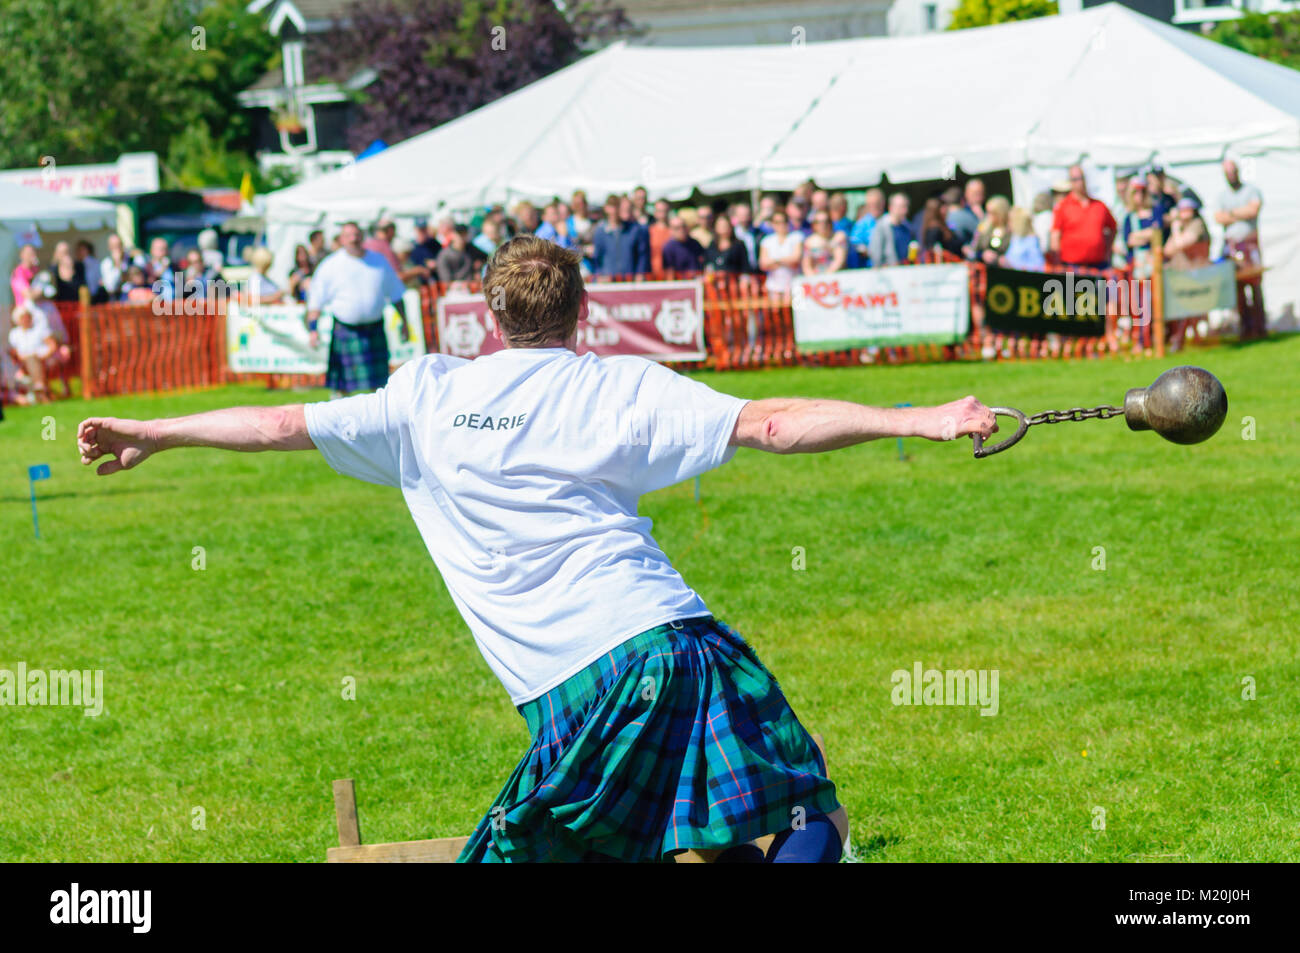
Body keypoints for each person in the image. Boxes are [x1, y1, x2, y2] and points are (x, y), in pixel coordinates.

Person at [74, 234, 1000, 863]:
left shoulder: (423, 395)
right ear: (581, 312)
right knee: (808, 811)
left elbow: (276, 421)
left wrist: (155, 433)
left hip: (577, 679)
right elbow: (776, 423)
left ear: (487, 315)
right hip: (669, 643)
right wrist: (922, 417)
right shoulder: (617, 384)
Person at [306, 222, 410, 397]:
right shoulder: (331, 265)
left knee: (379, 385)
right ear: (341, 239)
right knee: (342, 385)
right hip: (345, 329)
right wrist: (313, 329)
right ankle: (336, 415)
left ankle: (379, 420)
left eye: (356, 234)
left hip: (374, 327)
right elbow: (316, 301)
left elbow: (396, 294)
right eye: (348, 235)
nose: (353, 239)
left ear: (362, 236)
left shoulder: (379, 261)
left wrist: (404, 322)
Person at [1050, 165, 1116, 270]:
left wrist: (1107, 250)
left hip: (1098, 264)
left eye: (1082, 178)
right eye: (1075, 179)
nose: (1080, 182)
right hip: (1072, 265)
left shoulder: (1099, 205)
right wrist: (1057, 264)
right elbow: (1055, 236)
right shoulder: (1063, 207)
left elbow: (1113, 228)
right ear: (1071, 182)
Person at [8, 296, 70, 403]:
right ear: (18, 320)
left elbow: (52, 346)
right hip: (25, 362)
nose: (26, 319)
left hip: (45, 359)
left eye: (27, 316)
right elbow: (16, 353)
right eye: (23, 317)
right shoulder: (14, 334)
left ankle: (40, 389)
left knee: (34, 359)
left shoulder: (40, 329)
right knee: (32, 359)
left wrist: (42, 356)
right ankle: (41, 389)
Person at [591, 195, 650, 278]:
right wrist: (599, 275)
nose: (614, 210)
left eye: (616, 206)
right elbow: (597, 259)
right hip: (608, 280)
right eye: (612, 206)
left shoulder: (634, 229)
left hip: (630, 280)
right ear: (606, 208)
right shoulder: (600, 232)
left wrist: (640, 273)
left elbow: (642, 255)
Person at [758, 211, 803, 298]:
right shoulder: (767, 241)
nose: (781, 225)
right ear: (772, 224)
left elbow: (796, 259)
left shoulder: (796, 236)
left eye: (784, 221)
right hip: (774, 287)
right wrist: (786, 261)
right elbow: (763, 264)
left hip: (794, 285)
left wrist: (775, 261)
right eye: (777, 222)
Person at [1121, 180, 1160, 277]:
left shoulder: (1155, 212)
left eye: (1142, 191)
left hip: (1154, 263)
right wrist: (1147, 236)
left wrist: (1137, 235)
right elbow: (1128, 240)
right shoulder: (1130, 217)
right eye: (1136, 192)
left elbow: (1157, 233)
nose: (1140, 195)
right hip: (1137, 265)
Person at [1164, 197, 1210, 271]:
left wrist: (1175, 225)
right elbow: (1168, 250)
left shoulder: (1197, 224)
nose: (1185, 211)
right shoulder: (1180, 227)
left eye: (1188, 209)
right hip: (1183, 272)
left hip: (1198, 271)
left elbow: (1180, 244)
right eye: (1182, 209)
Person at [867, 193, 912, 268]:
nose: (905, 211)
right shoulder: (881, 226)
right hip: (888, 273)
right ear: (891, 207)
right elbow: (875, 253)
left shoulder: (906, 228)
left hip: (905, 271)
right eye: (902, 207)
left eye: (906, 206)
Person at [946, 178, 985, 252]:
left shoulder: (985, 209)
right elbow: (983, 231)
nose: (979, 197)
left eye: (981, 193)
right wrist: (981, 218)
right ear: (966, 193)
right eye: (975, 194)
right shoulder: (962, 211)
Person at [849, 189, 885, 267]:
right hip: (869, 268)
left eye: (877, 204)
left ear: (883, 203)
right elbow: (855, 244)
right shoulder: (861, 224)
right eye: (871, 204)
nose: (874, 207)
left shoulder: (889, 220)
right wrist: (869, 252)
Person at [973, 196, 1011, 267]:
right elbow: (974, 250)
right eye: (988, 212)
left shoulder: (1009, 230)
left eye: (993, 213)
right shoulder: (983, 227)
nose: (989, 216)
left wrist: (1000, 259)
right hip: (983, 268)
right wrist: (983, 255)